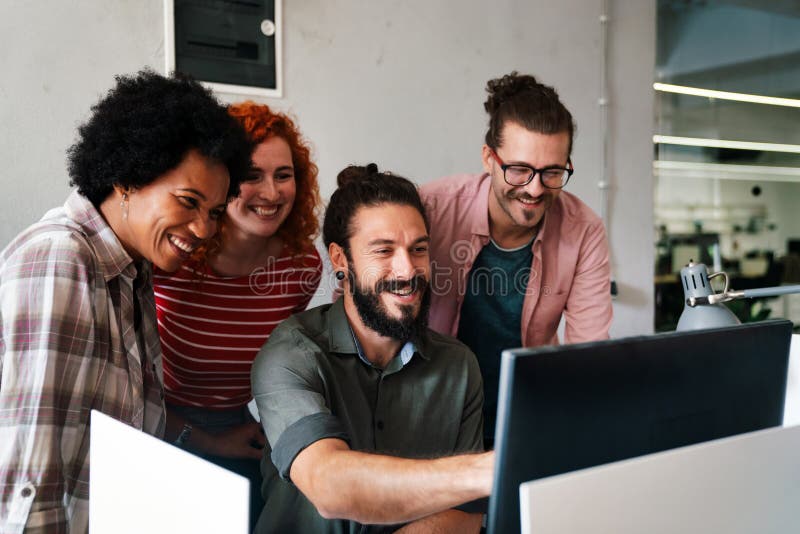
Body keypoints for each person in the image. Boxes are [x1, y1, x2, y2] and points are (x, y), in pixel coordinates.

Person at [0, 69, 252, 534]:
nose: (204, 229)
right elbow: (27, 487)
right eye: (187, 201)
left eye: (214, 212)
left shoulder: (132, 272)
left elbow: (137, 426)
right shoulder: (63, 258)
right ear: (127, 178)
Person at [251, 164, 493, 533]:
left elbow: (465, 515)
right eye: (384, 250)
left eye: (419, 249)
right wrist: (488, 470)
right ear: (340, 259)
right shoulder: (290, 354)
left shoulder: (459, 366)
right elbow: (330, 485)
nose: (407, 270)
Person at [153, 102, 322, 531]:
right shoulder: (171, 258)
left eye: (283, 175)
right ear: (221, 182)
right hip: (154, 426)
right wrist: (207, 441)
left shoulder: (301, 267)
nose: (271, 192)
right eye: (252, 176)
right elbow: (130, 387)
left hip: (242, 434)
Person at [420, 71, 613, 446]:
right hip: (428, 422)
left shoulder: (583, 230)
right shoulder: (430, 209)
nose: (535, 189)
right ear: (489, 158)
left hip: (521, 421)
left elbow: (589, 359)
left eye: (552, 172)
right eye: (520, 170)